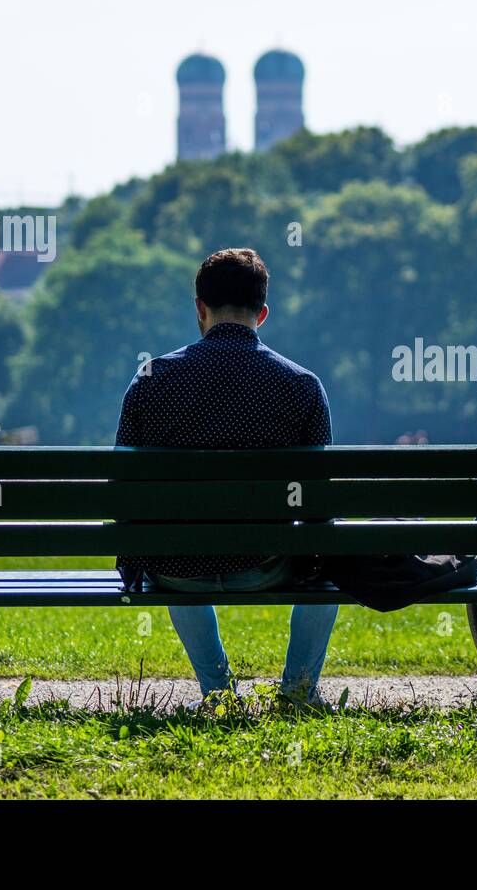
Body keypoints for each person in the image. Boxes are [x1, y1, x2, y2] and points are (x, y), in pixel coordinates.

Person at [115, 248, 338, 709]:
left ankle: (218, 693)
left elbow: (125, 491)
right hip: (265, 563)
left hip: (176, 569)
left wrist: (134, 560)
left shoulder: (152, 378)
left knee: (179, 544)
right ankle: (297, 692)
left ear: (200, 308)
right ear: (262, 313)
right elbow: (320, 505)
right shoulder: (301, 385)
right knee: (334, 566)